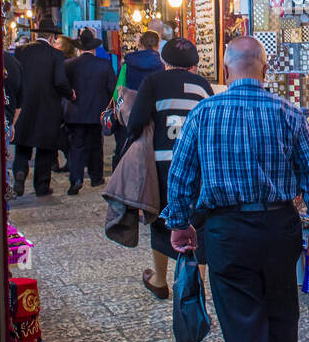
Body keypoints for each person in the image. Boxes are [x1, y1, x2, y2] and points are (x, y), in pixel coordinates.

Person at [165, 36, 309, 342]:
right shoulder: (289, 112)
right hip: (280, 231)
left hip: (227, 235)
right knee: (282, 318)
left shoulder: (204, 113)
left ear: (226, 71)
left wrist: (180, 223)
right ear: (264, 70)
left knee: (245, 328)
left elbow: (181, 175)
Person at [122, 37, 213, 300]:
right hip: (197, 166)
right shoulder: (203, 86)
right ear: (195, 64)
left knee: (161, 220)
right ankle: (198, 286)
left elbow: (136, 121)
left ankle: (160, 281)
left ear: (163, 61)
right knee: (198, 223)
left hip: (162, 163)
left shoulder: (153, 82)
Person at [13, 18, 73, 196]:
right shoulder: (56, 55)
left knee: (22, 145)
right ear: (53, 37)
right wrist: (70, 94)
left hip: (24, 105)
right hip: (48, 108)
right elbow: (60, 81)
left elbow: (16, 76)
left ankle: (20, 172)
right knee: (45, 149)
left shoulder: (21, 51)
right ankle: (41, 185)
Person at [63, 27, 115, 195]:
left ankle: (76, 178)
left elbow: (64, 87)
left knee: (77, 146)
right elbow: (111, 89)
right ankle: (96, 176)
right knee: (95, 145)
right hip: (96, 112)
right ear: (93, 47)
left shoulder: (69, 65)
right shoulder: (104, 65)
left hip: (76, 111)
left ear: (80, 48)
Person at [111, 30, 163, 168]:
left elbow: (118, 92)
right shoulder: (161, 66)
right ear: (158, 45)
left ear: (140, 44)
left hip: (129, 113)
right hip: (152, 114)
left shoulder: (128, 64)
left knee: (124, 148)